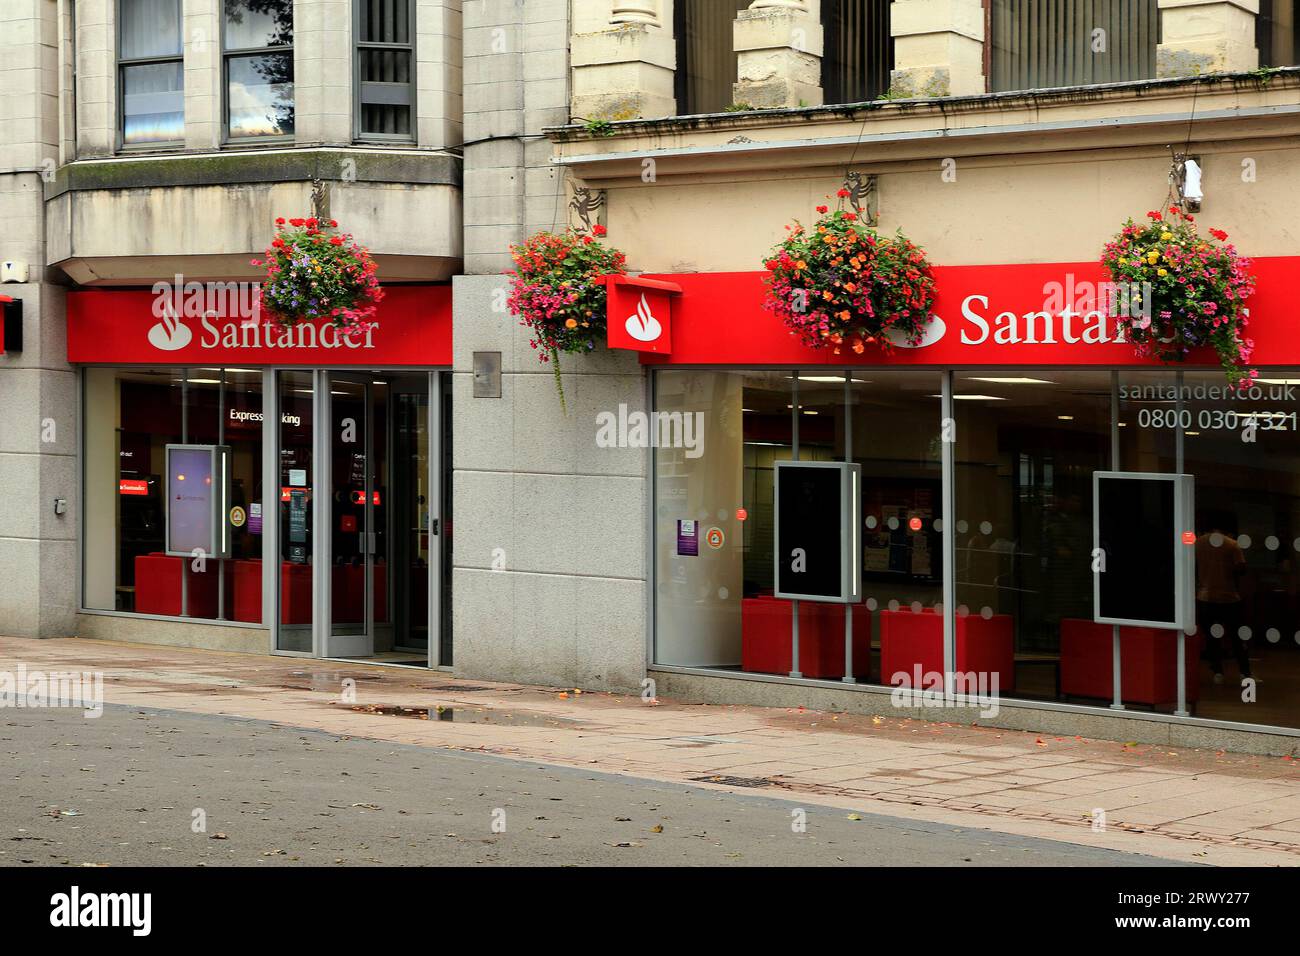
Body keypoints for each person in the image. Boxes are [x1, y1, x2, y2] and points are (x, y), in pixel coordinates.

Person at [1195, 520, 1253, 683]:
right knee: (1236, 636)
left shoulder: (1198, 543)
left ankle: (1217, 672)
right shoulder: (1232, 544)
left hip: (1205, 596)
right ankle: (1245, 672)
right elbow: (1241, 568)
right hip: (1229, 597)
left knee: (1212, 637)